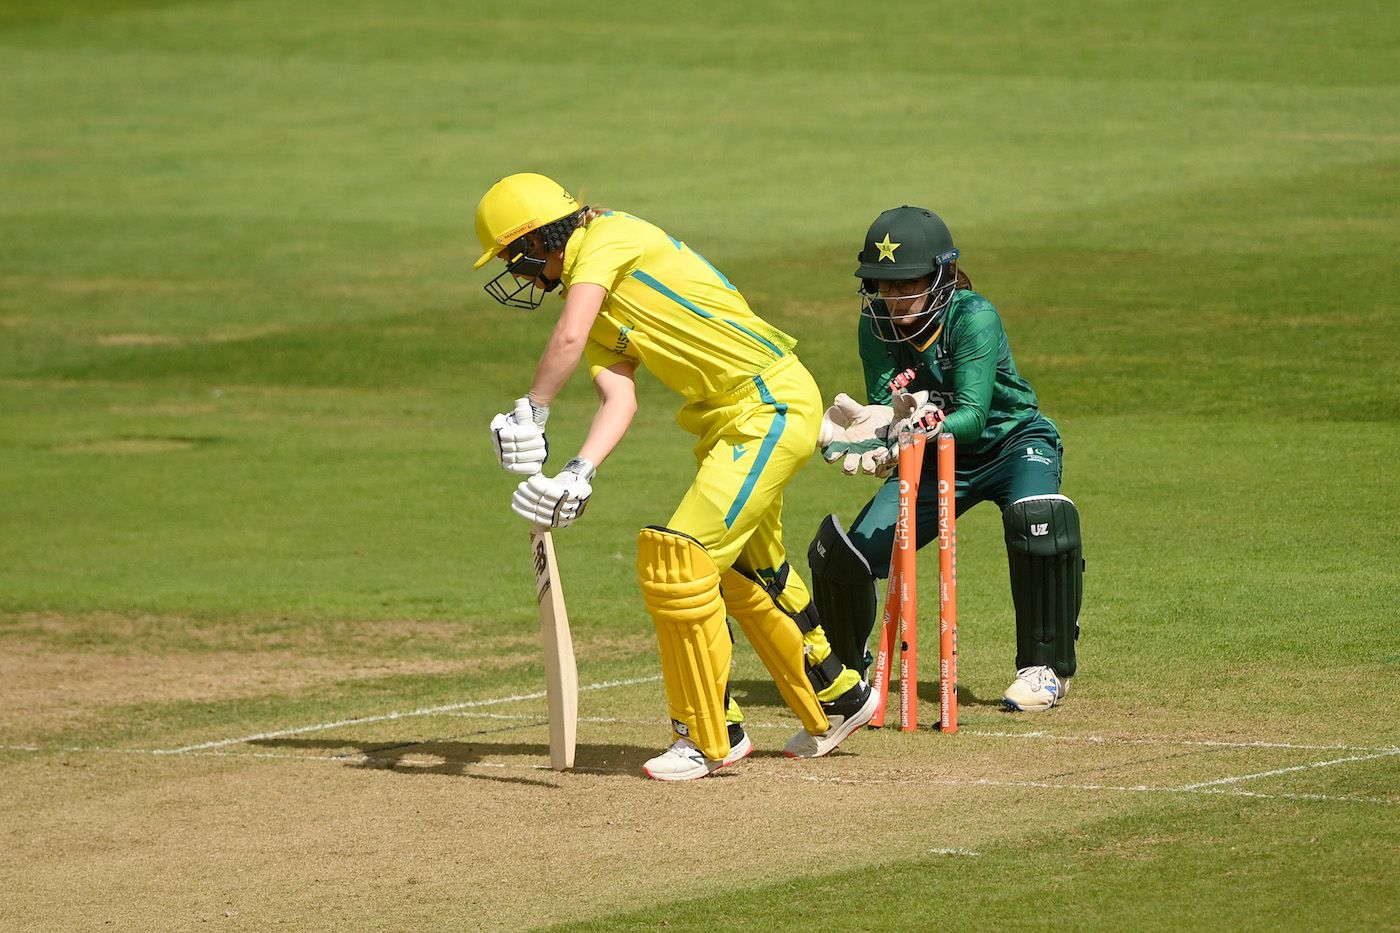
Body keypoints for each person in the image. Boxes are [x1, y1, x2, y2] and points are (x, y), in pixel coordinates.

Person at [474, 172, 877, 781]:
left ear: (536, 240)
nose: (517, 273)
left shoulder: (608, 239)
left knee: (680, 562)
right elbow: (619, 398)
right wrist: (577, 474)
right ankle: (837, 695)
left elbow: (569, 335)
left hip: (767, 405)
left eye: (513, 258)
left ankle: (709, 736)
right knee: (747, 569)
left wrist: (533, 408)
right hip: (730, 424)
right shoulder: (596, 298)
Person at [810, 206, 1084, 712]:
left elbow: (974, 416)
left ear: (939, 274)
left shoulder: (973, 315)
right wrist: (882, 435)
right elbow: (887, 407)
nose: (892, 297)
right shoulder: (875, 324)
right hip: (934, 456)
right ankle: (844, 676)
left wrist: (913, 431)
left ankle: (1046, 669)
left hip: (1010, 442)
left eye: (905, 283)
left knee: (1038, 521)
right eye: (882, 285)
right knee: (847, 557)